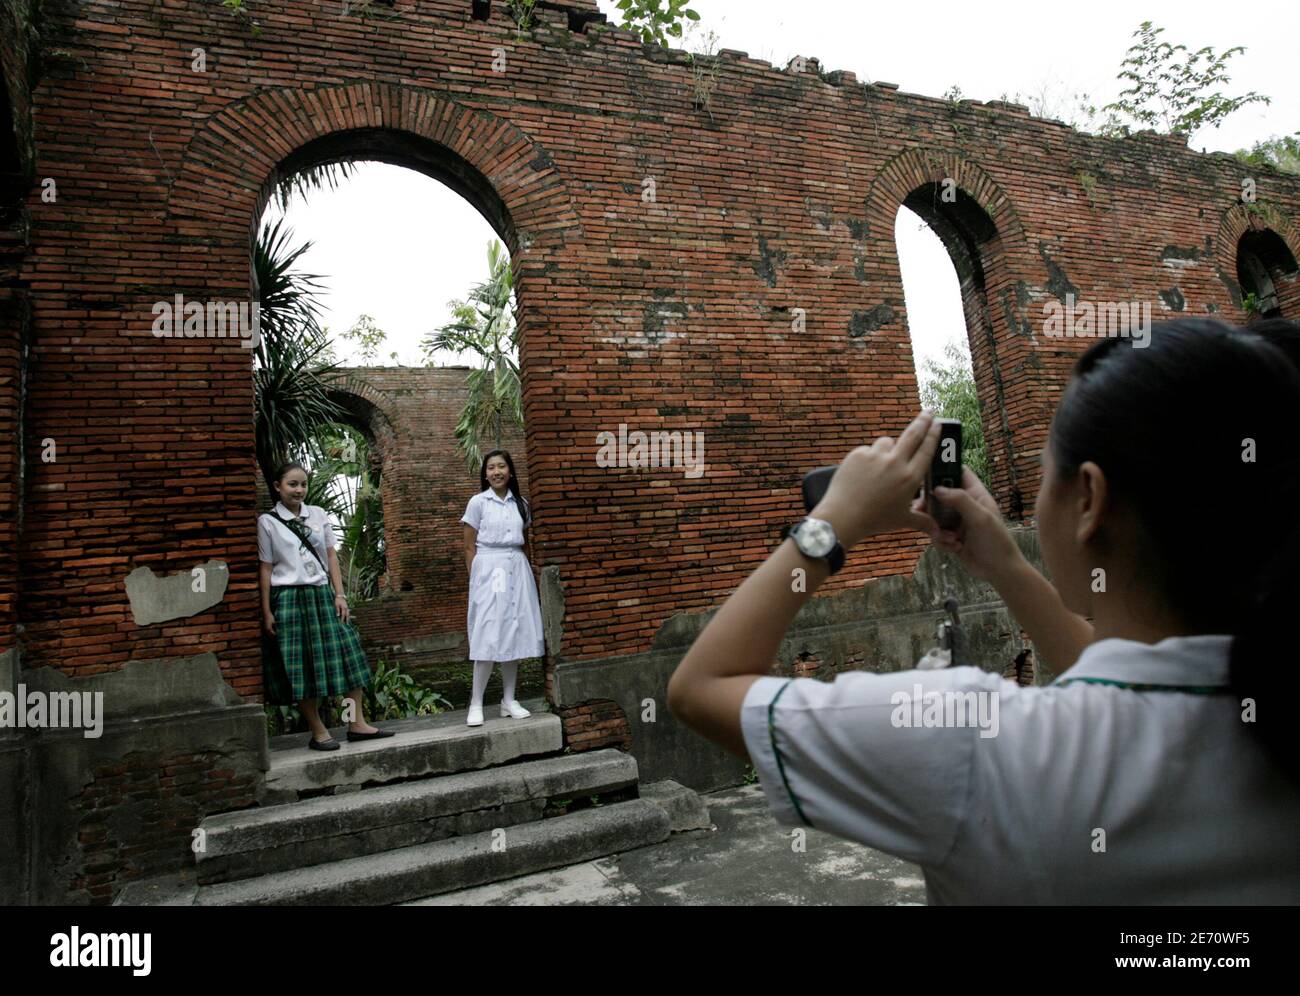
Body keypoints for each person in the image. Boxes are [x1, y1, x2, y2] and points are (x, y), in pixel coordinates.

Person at [668, 318, 1300, 904]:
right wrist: (1006, 565)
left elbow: (701, 688)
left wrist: (830, 525)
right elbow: (1138, 683)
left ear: (1088, 500)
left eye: (1046, 472)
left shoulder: (971, 743)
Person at [258, 462, 394, 751]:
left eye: (303, 484)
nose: (299, 490)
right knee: (302, 667)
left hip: (323, 595)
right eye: (292, 484)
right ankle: (318, 731)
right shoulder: (268, 522)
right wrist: (267, 610)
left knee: (349, 657)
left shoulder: (317, 515)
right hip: (290, 600)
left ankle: (355, 723)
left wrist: (340, 594)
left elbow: (331, 556)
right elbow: (266, 568)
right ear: (277, 486)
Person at [460, 449, 544, 727]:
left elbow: (526, 541)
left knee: (514, 631)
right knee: (488, 631)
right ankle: (476, 702)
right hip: (489, 568)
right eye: (491, 468)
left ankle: (509, 700)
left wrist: (528, 571)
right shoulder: (478, 503)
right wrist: (476, 580)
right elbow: (469, 546)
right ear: (485, 474)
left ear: (510, 471)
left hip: (516, 566)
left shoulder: (521, 504)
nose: (496, 472)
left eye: (501, 467)